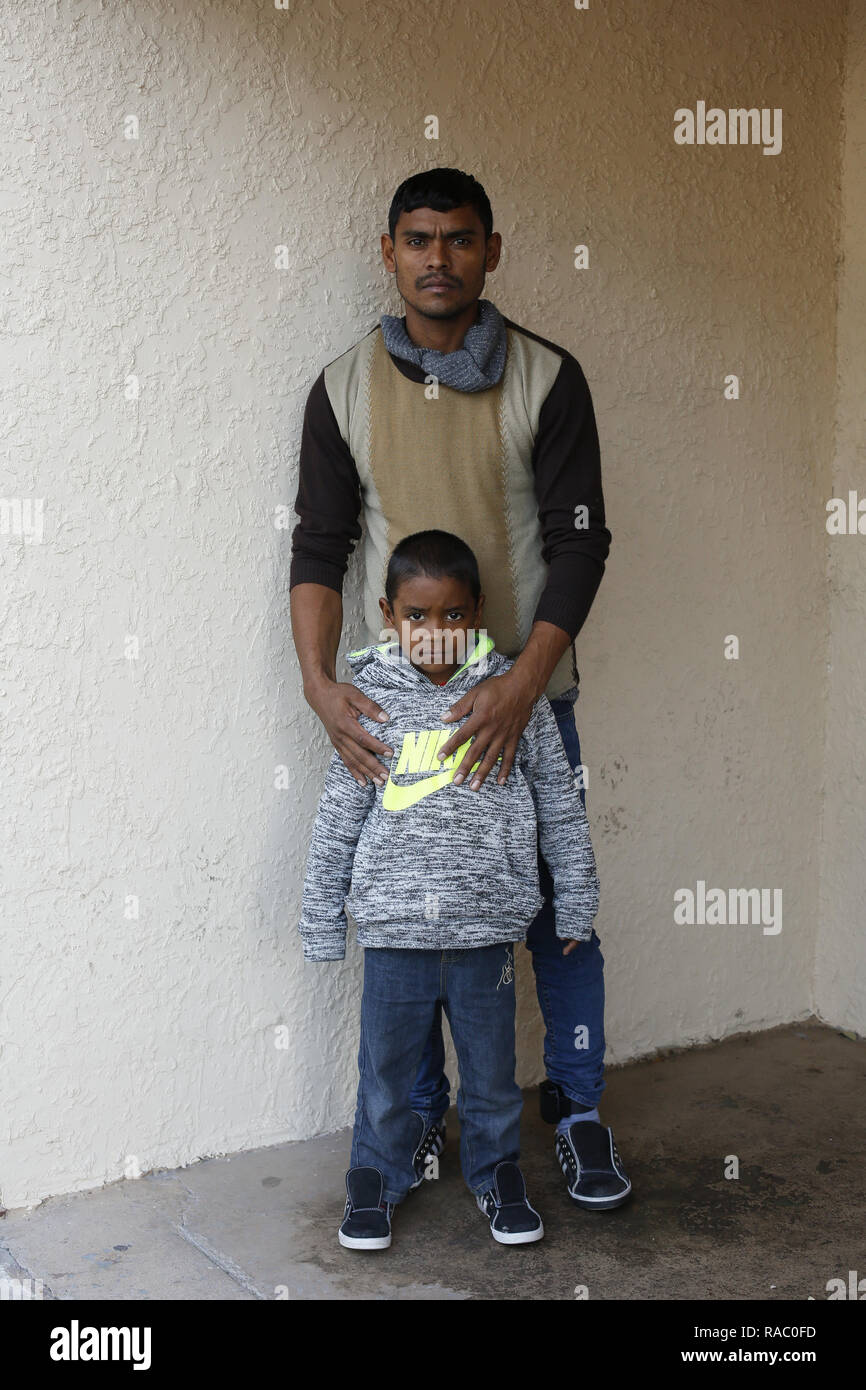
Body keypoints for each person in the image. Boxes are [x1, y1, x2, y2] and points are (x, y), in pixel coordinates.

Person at [290, 166, 631, 1209]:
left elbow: (581, 546)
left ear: (493, 251)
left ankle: (575, 1111)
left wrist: (525, 682)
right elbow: (319, 544)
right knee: (417, 927)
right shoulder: (342, 386)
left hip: (528, 700)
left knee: (557, 916)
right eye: (418, 238)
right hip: (400, 721)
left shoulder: (546, 376)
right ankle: (429, 1135)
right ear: (387, 252)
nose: (438, 257)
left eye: (459, 238)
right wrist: (317, 685)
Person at [298, 531, 602, 1248]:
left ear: (478, 613)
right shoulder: (368, 705)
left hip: (485, 937)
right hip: (395, 936)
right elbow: (338, 815)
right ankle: (374, 1179)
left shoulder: (506, 698)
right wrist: (319, 920)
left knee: (494, 1079)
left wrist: (578, 900)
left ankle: (499, 1178)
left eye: (453, 617)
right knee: (388, 1077)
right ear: (388, 614)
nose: (435, 635)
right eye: (417, 617)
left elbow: (558, 801)